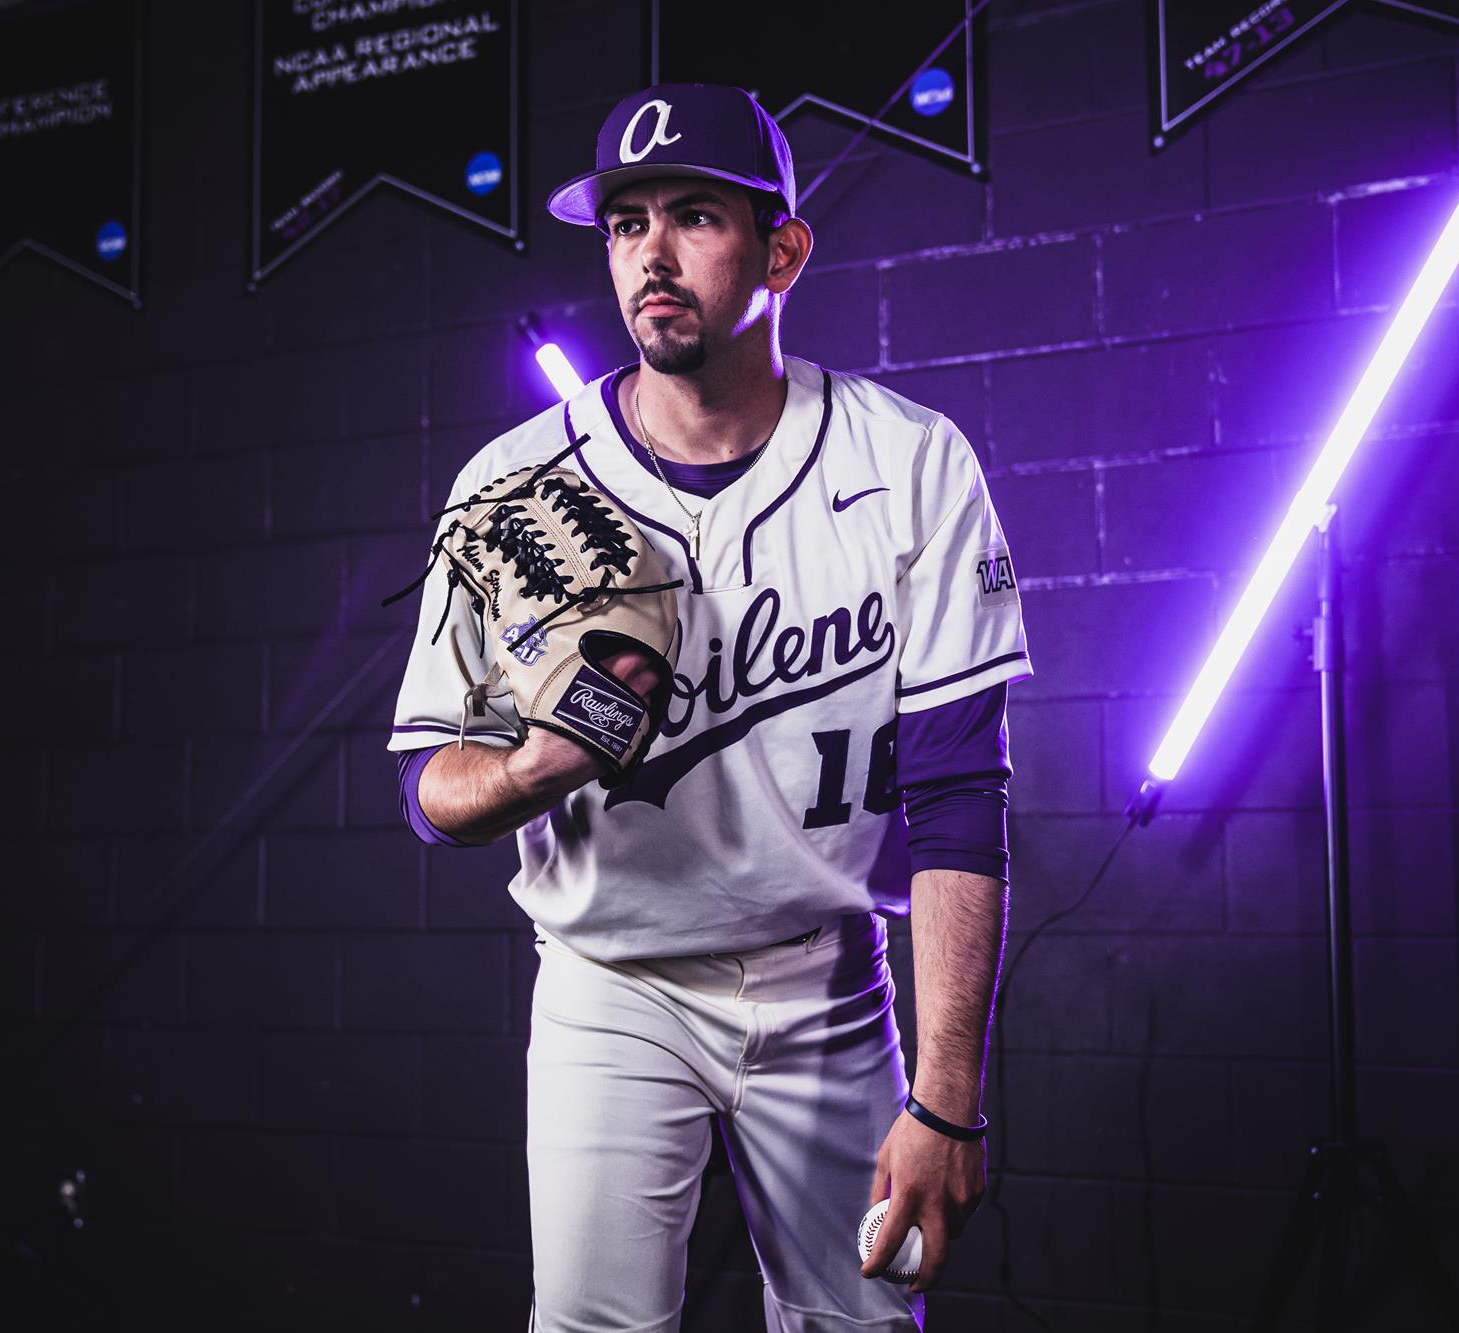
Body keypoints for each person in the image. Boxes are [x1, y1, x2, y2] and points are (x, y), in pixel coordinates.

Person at [388, 82, 1032, 1332]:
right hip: (607, 982)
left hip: (832, 986)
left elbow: (961, 798)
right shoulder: (513, 484)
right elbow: (425, 790)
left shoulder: (908, 462)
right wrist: (535, 766)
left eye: (694, 216)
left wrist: (948, 1094)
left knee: (861, 1324)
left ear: (782, 248)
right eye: (626, 224)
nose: (652, 255)